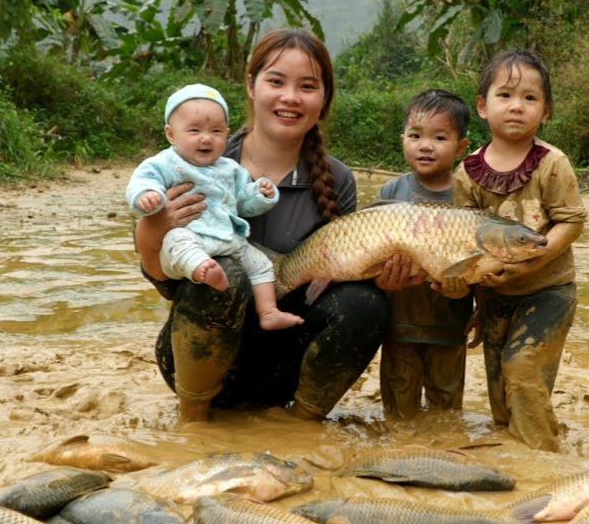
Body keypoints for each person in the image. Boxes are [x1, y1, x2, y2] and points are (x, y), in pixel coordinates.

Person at [133, 29, 407, 425]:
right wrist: (152, 230)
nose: (290, 97)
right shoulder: (195, 161)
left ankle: (302, 424)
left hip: (288, 366)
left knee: (366, 302)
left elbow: (340, 291)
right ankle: (192, 422)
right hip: (201, 363)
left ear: (324, 98)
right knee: (224, 274)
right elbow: (164, 279)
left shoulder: (337, 180)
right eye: (276, 82)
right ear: (251, 85)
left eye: (307, 86)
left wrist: (386, 277)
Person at [453, 49, 588, 452]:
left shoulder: (552, 164)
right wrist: (478, 304)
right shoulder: (467, 172)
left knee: (523, 368)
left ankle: (542, 459)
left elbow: (571, 222)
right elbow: (466, 242)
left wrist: (536, 259)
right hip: (495, 297)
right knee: (500, 393)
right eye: (505, 95)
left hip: (549, 291)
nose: (517, 106)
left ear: (546, 111)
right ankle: (515, 456)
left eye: (530, 98)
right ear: (482, 106)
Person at [125, 83, 304, 331]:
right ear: (171, 134)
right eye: (194, 130)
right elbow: (142, 181)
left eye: (216, 131)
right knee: (178, 242)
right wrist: (147, 196)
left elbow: (243, 203)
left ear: (226, 134)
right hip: (190, 235)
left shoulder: (230, 168)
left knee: (262, 264)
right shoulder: (164, 162)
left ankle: (268, 311)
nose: (206, 138)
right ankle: (202, 269)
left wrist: (261, 194)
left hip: (228, 239)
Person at [377, 89, 474, 419]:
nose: (425, 145)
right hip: (398, 324)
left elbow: (481, 262)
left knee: (446, 413)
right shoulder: (391, 192)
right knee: (398, 413)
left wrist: (467, 290)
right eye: (416, 135)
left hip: (450, 326)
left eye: (439, 137)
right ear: (403, 139)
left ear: (461, 147)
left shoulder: (468, 197)